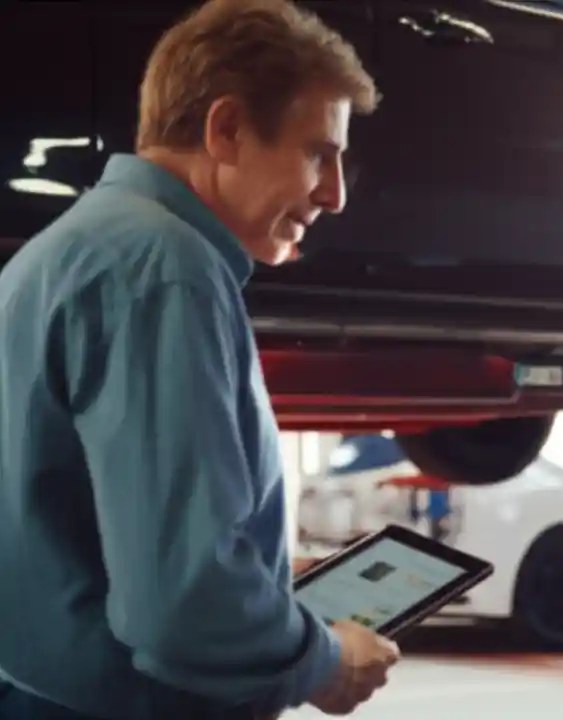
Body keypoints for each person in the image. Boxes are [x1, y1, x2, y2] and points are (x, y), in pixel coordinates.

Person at [0, 1, 400, 718]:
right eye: (319, 152)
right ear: (227, 130)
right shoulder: (164, 268)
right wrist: (323, 661)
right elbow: (183, 603)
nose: (335, 195)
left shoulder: (66, 251)